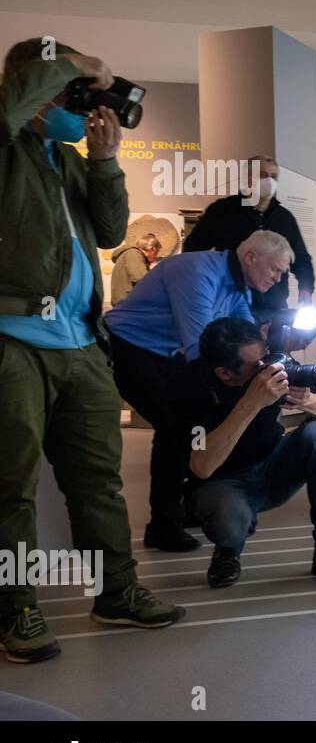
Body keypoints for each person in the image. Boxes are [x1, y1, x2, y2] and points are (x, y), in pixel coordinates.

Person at [0, 38, 185, 663]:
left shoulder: (66, 158)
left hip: (80, 342)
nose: (81, 107)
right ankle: (15, 608)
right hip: (12, 342)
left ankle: (117, 592)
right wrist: (74, 67)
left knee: (99, 483)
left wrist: (105, 160)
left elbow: (110, 233)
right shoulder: (8, 143)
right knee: (10, 487)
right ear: (35, 84)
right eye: (70, 92)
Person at [104, 229, 295, 552]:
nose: (278, 279)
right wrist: (252, 392)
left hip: (167, 352)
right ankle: (163, 525)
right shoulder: (197, 271)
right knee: (174, 427)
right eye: (275, 269)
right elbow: (201, 349)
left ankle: (189, 505)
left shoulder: (238, 288)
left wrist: (275, 369)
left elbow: (249, 345)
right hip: (129, 347)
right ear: (250, 257)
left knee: (192, 420)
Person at [169, 317, 316, 589]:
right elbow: (202, 464)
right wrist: (252, 401)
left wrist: (306, 399)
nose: (267, 371)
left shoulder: (274, 365)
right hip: (223, 483)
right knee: (227, 516)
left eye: (265, 358)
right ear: (224, 373)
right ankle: (227, 552)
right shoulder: (189, 388)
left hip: (273, 465)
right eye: (256, 368)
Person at [183, 155, 314, 322]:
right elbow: (192, 251)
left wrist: (306, 288)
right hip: (230, 307)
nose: (268, 180)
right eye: (262, 175)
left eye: (273, 177)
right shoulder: (222, 211)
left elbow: (301, 259)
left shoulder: (284, 218)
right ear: (247, 178)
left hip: (273, 308)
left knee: (277, 347)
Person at [109, 232, 161, 305]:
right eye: (157, 252)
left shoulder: (131, 254)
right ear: (151, 249)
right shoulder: (133, 254)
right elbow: (141, 279)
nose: (156, 256)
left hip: (125, 303)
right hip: (128, 304)